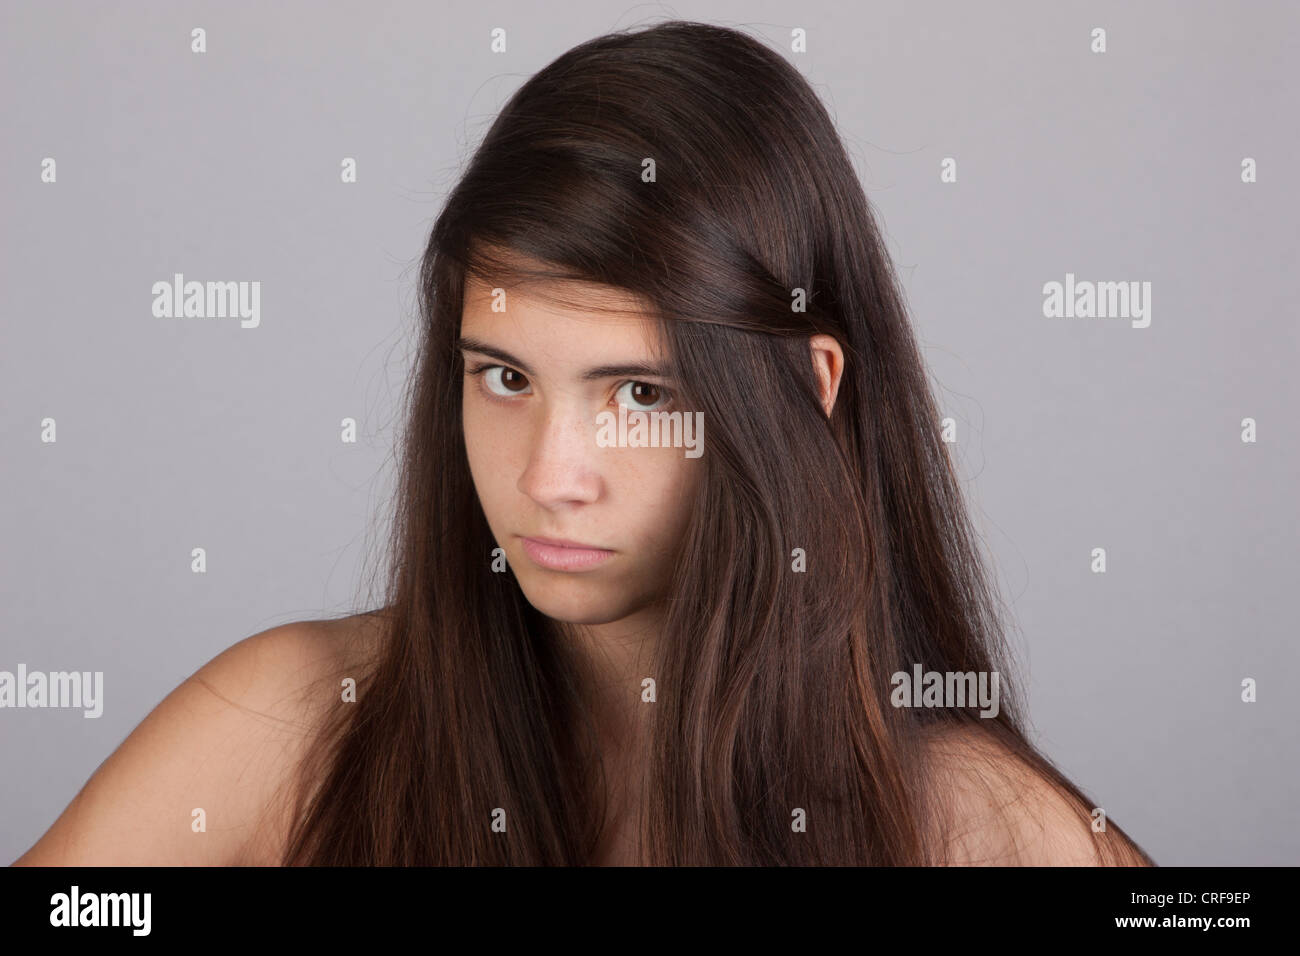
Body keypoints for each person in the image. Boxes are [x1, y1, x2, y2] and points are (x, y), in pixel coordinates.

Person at [13, 20, 1154, 866]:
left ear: (807, 391)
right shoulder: (289, 720)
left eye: (640, 390)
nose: (548, 475)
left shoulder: (978, 832)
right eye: (504, 376)